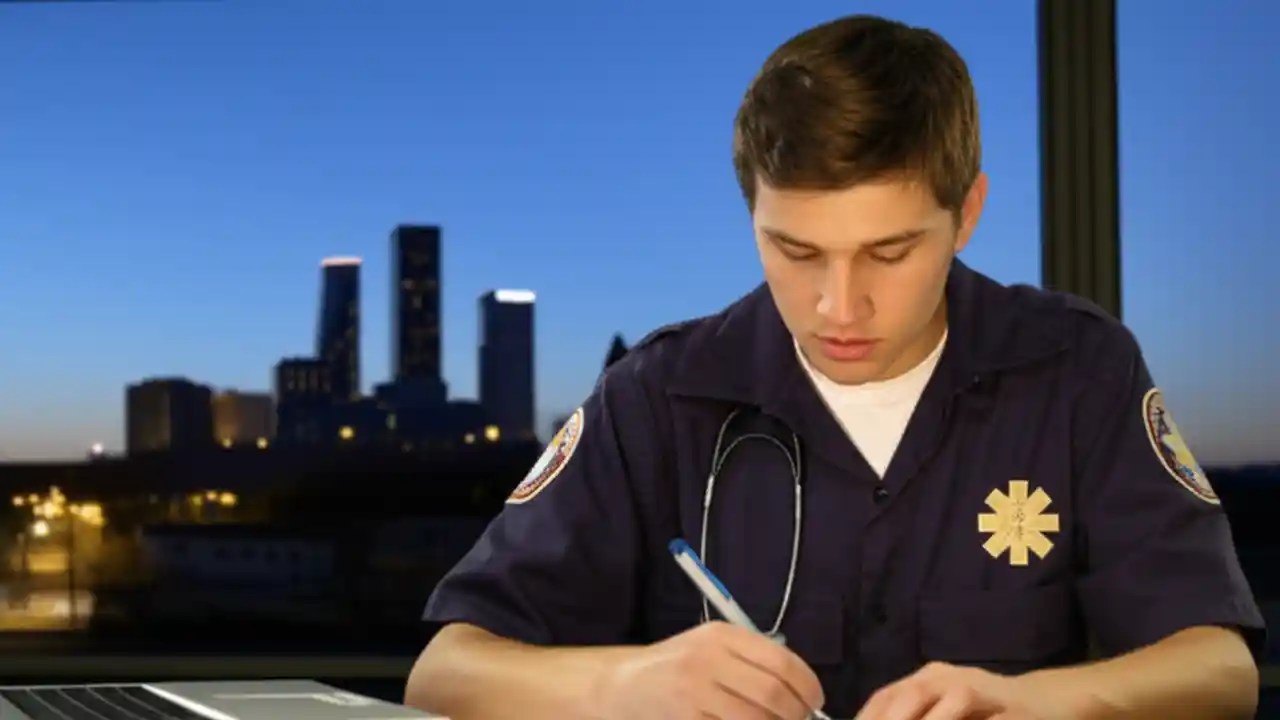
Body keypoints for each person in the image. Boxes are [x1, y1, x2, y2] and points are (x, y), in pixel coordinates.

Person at [403, 13, 1266, 720]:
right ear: (752, 217)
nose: (838, 307)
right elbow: (444, 675)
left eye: (889, 253)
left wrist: (1031, 703)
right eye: (795, 250)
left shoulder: (1078, 368)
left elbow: (1219, 669)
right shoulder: (655, 396)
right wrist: (617, 687)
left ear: (967, 213)